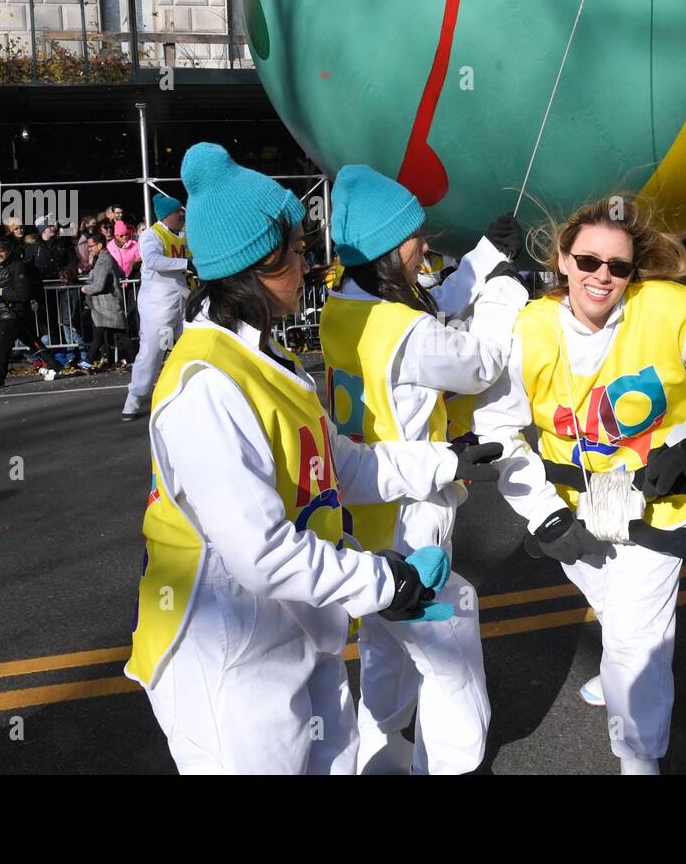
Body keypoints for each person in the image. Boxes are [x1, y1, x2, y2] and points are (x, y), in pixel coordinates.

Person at [125, 142, 500, 774]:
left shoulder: (269, 359)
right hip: (230, 660)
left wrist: (442, 460)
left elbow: (339, 468)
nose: (307, 263)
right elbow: (264, 553)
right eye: (295, 250)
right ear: (255, 266)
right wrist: (387, 583)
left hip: (295, 633)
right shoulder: (205, 388)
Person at [474, 195, 686, 775]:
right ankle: (618, 677)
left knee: (636, 644)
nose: (602, 277)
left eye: (619, 266)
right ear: (562, 260)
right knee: (619, 620)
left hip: (660, 507)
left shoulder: (682, 309)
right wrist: (542, 515)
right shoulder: (527, 329)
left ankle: (639, 760)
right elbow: (496, 429)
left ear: (635, 271)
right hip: (571, 515)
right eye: (587, 262)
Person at [320, 165, 527, 774]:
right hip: (415, 512)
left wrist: (488, 252)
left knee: (386, 643)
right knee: (449, 653)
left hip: (364, 512)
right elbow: (481, 360)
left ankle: (379, 756)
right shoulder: (402, 327)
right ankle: (452, 766)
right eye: (414, 237)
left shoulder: (346, 303)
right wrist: (507, 287)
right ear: (389, 249)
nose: (425, 245)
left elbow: (429, 311)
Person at [121, 195, 190, 422]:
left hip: (184, 302)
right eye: (177, 212)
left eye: (182, 210)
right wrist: (187, 264)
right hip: (158, 307)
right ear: (165, 216)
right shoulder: (151, 235)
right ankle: (134, 399)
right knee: (153, 352)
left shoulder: (183, 235)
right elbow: (152, 261)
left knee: (193, 347)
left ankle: (190, 394)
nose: (182, 214)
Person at [0, 237, 64, 389]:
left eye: (1, 251)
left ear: (8, 251)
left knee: (2, 347)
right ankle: (56, 366)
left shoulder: (17, 267)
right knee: (33, 342)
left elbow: (23, 293)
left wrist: (2, 292)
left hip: (14, 314)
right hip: (5, 313)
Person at [81, 232, 136, 369]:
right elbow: (121, 273)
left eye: (91, 246)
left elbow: (98, 285)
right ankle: (88, 361)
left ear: (99, 245)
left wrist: (85, 289)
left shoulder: (103, 261)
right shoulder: (107, 258)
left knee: (116, 334)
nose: (89, 249)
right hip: (109, 304)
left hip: (106, 305)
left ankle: (88, 362)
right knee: (112, 334)